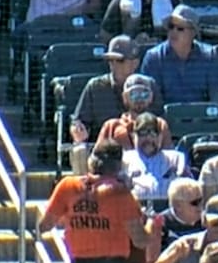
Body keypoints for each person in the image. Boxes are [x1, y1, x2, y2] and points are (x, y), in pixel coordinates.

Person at [39, 142, 152, 263]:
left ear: (91, 162)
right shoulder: (121, 194)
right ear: (118, 165)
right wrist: (150, 223)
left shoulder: (67, 186)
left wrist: (70, 216)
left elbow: (43, 226)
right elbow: (140, 240)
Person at [67, 37, 154, 176]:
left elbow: (158, 122)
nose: (113, 64)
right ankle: (87, 194)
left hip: (144, 151)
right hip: (104, 155)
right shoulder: (95, 86)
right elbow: (78, 122)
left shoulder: (148, 86)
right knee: (79, 150)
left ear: (135, 63)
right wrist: (77, 130)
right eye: (110, 60)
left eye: (119, 60)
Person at [137, 6, 218, 105]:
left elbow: (217, 97)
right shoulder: (153, 58)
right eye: (171, 26)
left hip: (203, 118)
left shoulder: (210, 56)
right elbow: (150, 102)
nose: (174, 31)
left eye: (180, 28)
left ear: (193, 32)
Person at [120, 111, 186, 202]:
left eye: (153, 133)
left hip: (168, 212)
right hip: (134, 211)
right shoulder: (124, 160)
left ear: (160, 136)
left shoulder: (175, 159)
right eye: (142, 133)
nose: (148, 138)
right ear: (133, 136)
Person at [96, 73, 169, 151]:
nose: (140, 99)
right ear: (125, 97)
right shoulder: (111, 126)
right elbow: (97, 158)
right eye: (134, 94)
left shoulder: (160, 125)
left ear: (151, 97)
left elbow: (169, 157)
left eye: (145, 94)